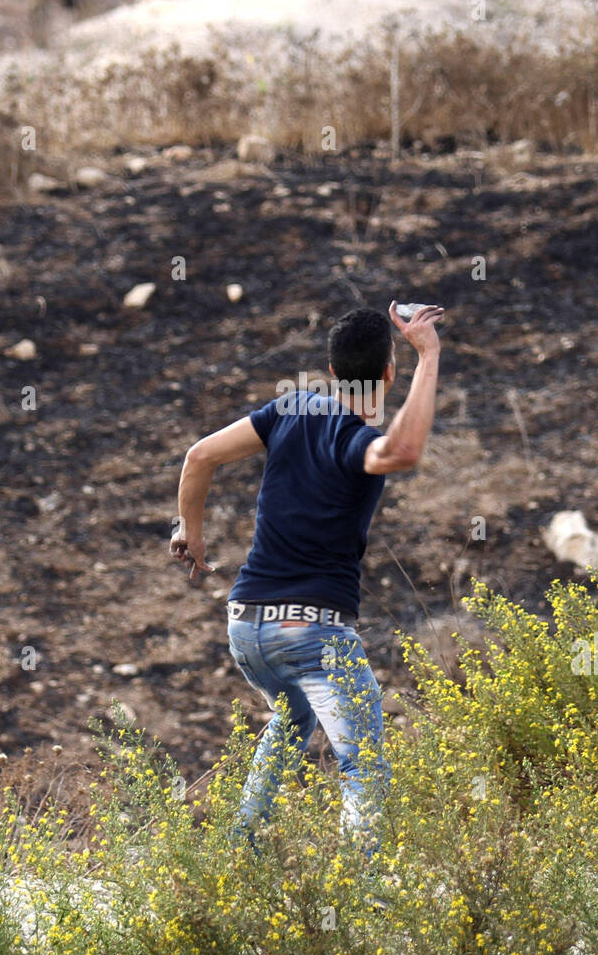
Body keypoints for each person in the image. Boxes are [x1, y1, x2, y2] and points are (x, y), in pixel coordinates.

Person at [171, 302, 444, 862]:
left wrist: (189, 533)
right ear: (390, 373)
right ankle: (370, 904)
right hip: (311, 630)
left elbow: (199, 456)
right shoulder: (353, 442)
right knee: (362, 764)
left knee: (291, 719)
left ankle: (238, 860)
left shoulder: (290, 408)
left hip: (246, 624)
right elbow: (404, 450)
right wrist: (430, 354)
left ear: (334, 370)